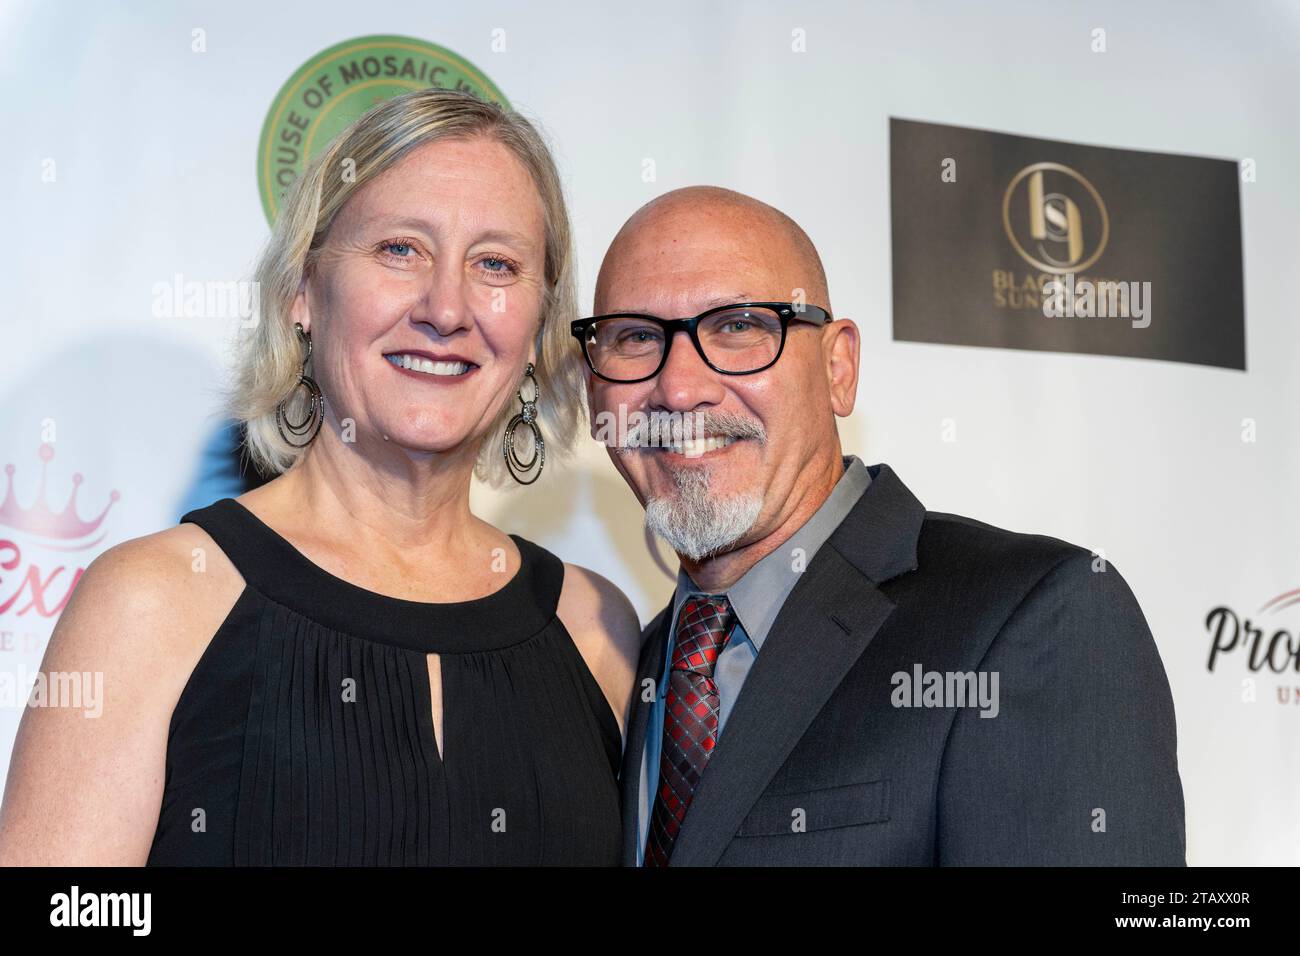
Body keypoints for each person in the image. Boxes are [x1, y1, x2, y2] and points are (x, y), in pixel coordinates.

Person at [0, 88, 640, 866]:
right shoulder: (154, 601)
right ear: (303, 292)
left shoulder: (592, 627)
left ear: (538, 326)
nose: (446, 307)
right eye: (400, 249)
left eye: (496, 264)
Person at [573, 184, 1186, 866]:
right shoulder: (629, 667)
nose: (680, 389)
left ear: (839, 368)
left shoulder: (1033, 620)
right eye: (634, 337)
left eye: (740, 326)